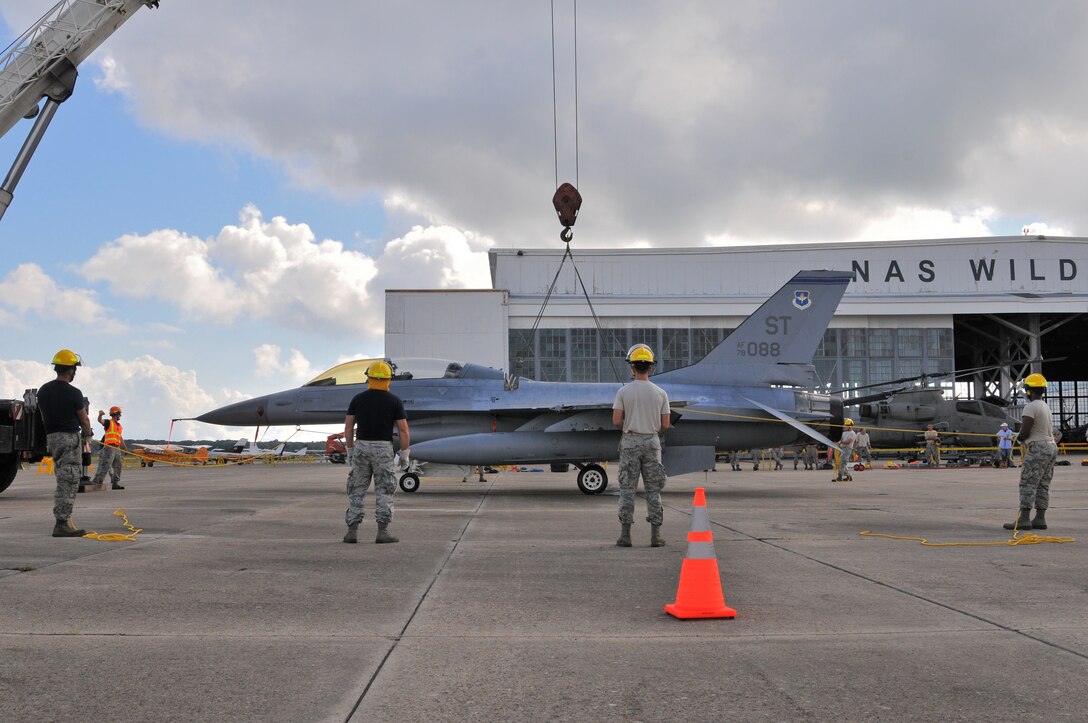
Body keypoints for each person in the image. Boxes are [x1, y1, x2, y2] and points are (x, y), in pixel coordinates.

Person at [342, 361, 410, 544]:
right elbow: (403, 430)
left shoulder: (358, 399)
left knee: (357, 490)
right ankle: (382, 532)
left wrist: (350, 449)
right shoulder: (394, 401)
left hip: (362, 446)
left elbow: (348, 427)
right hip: (383, 448)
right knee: (385, 490)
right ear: (389, 379)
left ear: (369, 377)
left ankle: (352, 532)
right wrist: (404, 453)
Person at [612, 343, 670, 548]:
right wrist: (651, 431)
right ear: (651, 368)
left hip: (630, 441)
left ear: (632, 368)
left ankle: (625, 536)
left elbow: (616, 421)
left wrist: (629, 428)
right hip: (652, 442)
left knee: (627, 489)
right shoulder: (661, 393)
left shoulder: (623, 392)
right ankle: (656, 536)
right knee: (653, 490)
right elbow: (665, 424)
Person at [36, 349, 94, 537]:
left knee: (63, 476)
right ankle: (62, 523)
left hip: (52, 438)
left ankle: (62, 520)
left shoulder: (44, 390)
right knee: (69, 480)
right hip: (69, 438)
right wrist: (88, 435)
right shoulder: (74, 393)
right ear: (71, 370)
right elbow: (84, 420)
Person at [1004, 374, 1058, 532]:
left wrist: (1018, 438)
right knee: (1043, 483)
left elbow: (1026, 431)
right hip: (1051, 447)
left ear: (1028, 390)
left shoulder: (1031, 406)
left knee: (1028, 483)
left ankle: (1025, 519)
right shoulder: (1044, 405)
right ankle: (1040, 518)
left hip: (1038, 447)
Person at [92, 406, 128, 490]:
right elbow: (100, 421)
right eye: (120, 414)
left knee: (118, 466)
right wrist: (100, 415)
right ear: (116, 414)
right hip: (109, 448)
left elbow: (120, 437)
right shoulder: (109, 422)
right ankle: (98, 482)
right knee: (105, 465)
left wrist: (125, 448)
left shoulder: (119, 426)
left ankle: (115, 483)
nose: (120, 416)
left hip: (117, 448)